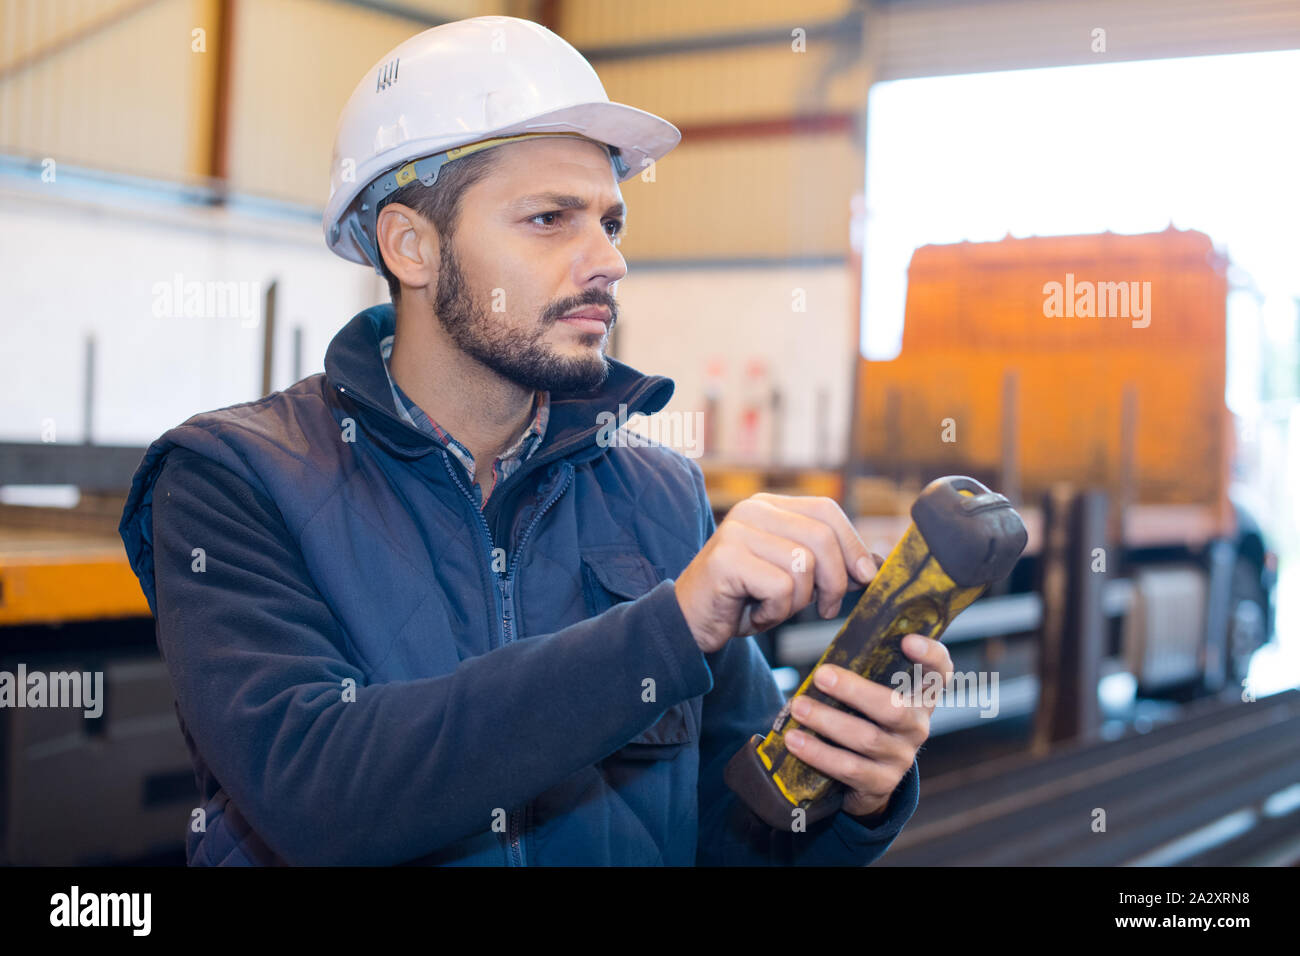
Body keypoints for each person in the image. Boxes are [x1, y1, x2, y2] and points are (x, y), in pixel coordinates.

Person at [119, 15, 952, 866]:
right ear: (411, 245)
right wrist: (666, 628)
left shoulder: (660, 497)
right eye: (552, 218)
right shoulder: (236, 480)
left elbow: (727, 839)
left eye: (612, 224)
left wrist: (848, 794)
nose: (609, 262)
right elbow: (318, 795)